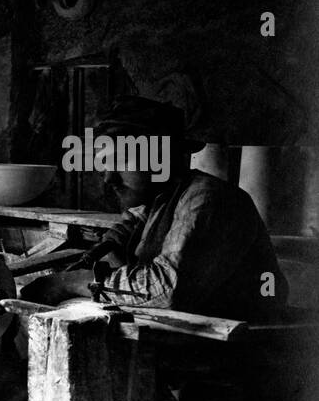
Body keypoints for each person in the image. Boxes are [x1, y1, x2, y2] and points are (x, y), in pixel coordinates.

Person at [24, 96, 287, 321]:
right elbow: (121, 241)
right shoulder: (156, 200)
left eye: (121, 161)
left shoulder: (207, 199)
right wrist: (104, 254)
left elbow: (167, 289)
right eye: (104, 164)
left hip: (239, 356)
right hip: (191, 344)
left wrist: (72, 282)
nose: (108, 178)